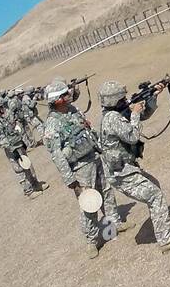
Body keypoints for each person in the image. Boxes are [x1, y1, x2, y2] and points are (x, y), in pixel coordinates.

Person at [97, 80, 170, 254]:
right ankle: (166, 240)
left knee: (154, 183)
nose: (125, 100)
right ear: (115, 100)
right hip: (122, 174)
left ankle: (162, 221)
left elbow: (144, 115)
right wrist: (135, 113)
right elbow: (132, 136)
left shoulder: (114, 114)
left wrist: (152, 97)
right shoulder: (112, 119)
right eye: (122, 98)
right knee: (155, 195)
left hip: (125, 169)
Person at [42, 76, 120, 258]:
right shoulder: (52, 124)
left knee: (107, 193)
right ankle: (91, 241)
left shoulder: (73, 110)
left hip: (93, 157)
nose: (69, 95)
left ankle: (112, 228)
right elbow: (57, 155)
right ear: (56, 100)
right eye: (64, 94)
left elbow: (86, 128)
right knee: (89, 204)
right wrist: (71, 181)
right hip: (79, 168)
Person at [0, 92, 41, 198]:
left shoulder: (3, 117)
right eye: (0, 107)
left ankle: (35, 184)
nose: (2, 108)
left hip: (18, 144)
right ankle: (28, 191)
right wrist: (13, 151)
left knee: (28, 165)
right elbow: (3, 140)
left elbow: (13, 126)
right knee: (20, 170)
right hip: (12, 149)